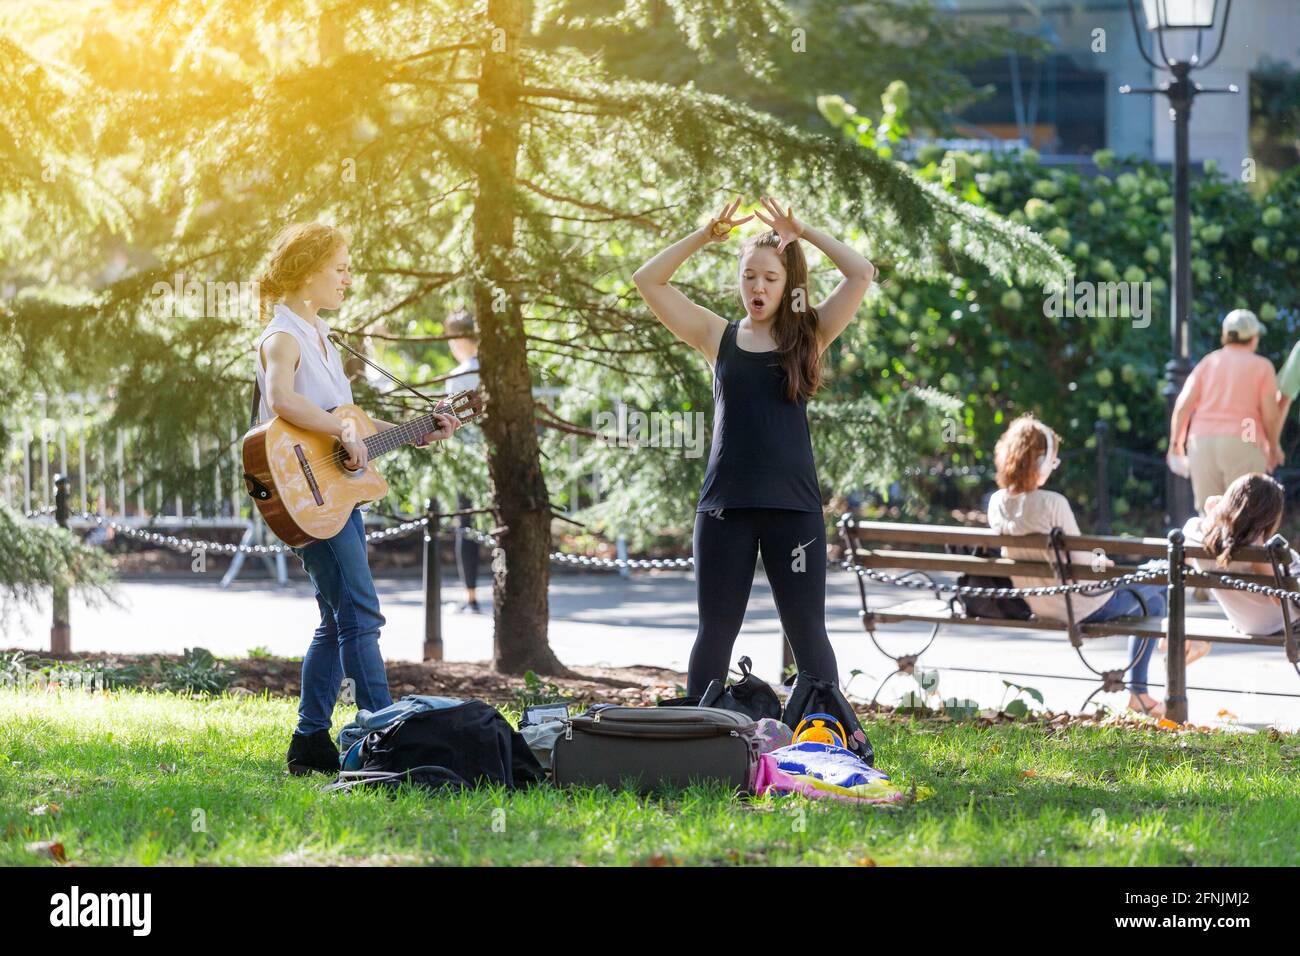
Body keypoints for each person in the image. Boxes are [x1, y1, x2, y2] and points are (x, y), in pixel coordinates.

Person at [633, 195, 876, 695]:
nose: (758, 287)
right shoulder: (714, 335)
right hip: (726, 510)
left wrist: (803, 231)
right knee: (715, 633)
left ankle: (828, 736)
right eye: (749, 277)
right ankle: (701, 738)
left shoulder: (810, 334)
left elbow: (860, 273)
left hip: (794, 510)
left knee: (809, 635)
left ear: (788, 284)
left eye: (769, 277)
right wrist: (705, 234)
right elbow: (647, 280)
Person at [254, 223, 462, 775]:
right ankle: (384, 738)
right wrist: (341, 434)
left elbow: (348, 428)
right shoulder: (284, 337)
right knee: (361, 614)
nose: (349, 277)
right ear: (305, 274)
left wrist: (417, 429)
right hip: (304, 494)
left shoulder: (323, 335)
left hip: (332, 496)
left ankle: (310, 743)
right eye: (340, 267)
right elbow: (280, 399)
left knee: (336, 616)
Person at [986, 414, 1171, 717]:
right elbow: (1084, 562)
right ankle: (1171, 660)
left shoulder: (996, 503)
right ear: (1041, 461)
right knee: (1163, 570)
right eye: (1052, 462)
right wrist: (1103, 561)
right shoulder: (1052, 502)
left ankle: (1140, 696)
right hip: (1083, 604)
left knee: (1156, 603)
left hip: (1041, 604)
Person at [1168, 309, 1283, 514]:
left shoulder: (1208, 362)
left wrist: (1175, 444)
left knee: (1210, 517)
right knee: (1244, 516)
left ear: (1226, 335)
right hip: (1244, 436)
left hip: (1201, 440)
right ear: (1254, 338)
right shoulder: (1262, 367)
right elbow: (1271, 416)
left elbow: (1182, 407)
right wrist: (1273, 447)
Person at [1182, 473, 1300, 638]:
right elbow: (1279, 597)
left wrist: (1216, 513)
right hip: (1279, 622)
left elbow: (1216, 532)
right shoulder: (1255, 551)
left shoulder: (1192, 531)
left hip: (1242, 622)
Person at [443, 308, 483, 614]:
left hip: (469, 461)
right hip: (492, 456)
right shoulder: (495, 369)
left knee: (466, 526)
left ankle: (471, 596)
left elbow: (450, 420)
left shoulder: (459, 375)